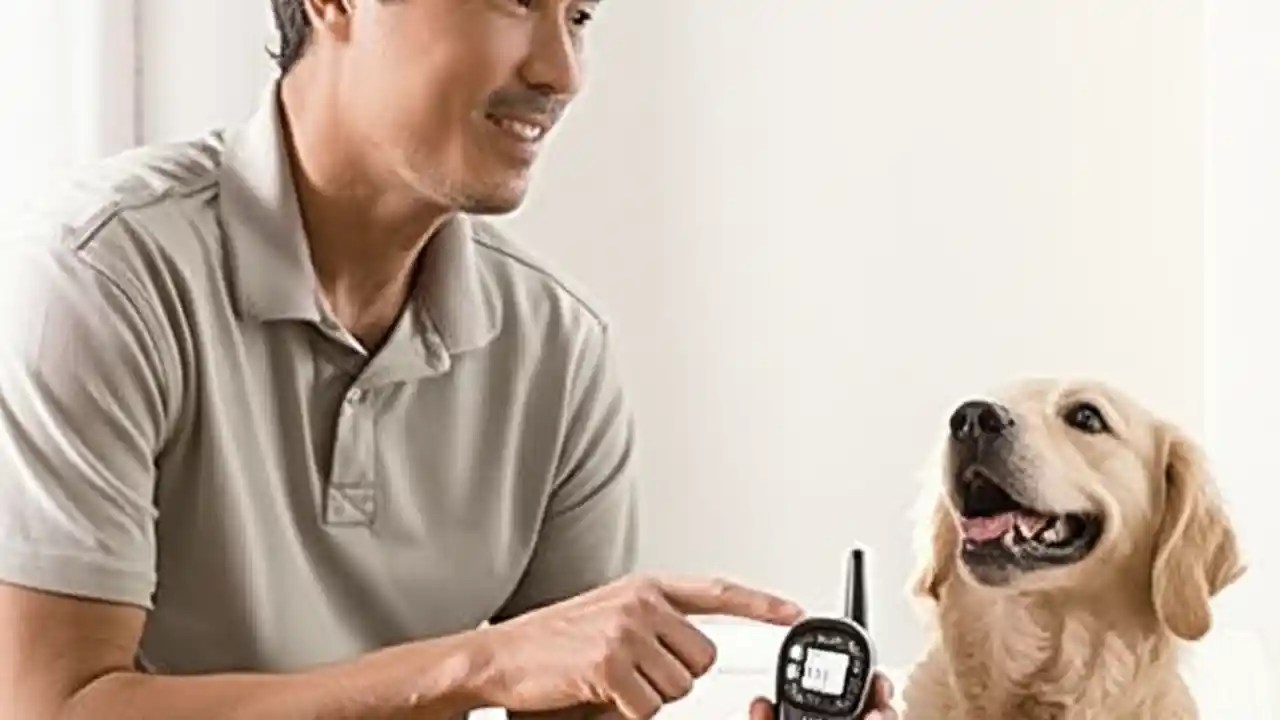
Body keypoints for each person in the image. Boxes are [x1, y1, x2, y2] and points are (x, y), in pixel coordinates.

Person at [0, 1, 896, 718]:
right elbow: (52, 705)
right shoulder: (101, 279)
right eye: (515, 2)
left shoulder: (559, 348)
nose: (561, 72)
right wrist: (478, 664)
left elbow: (571, 704)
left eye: (579, 16)